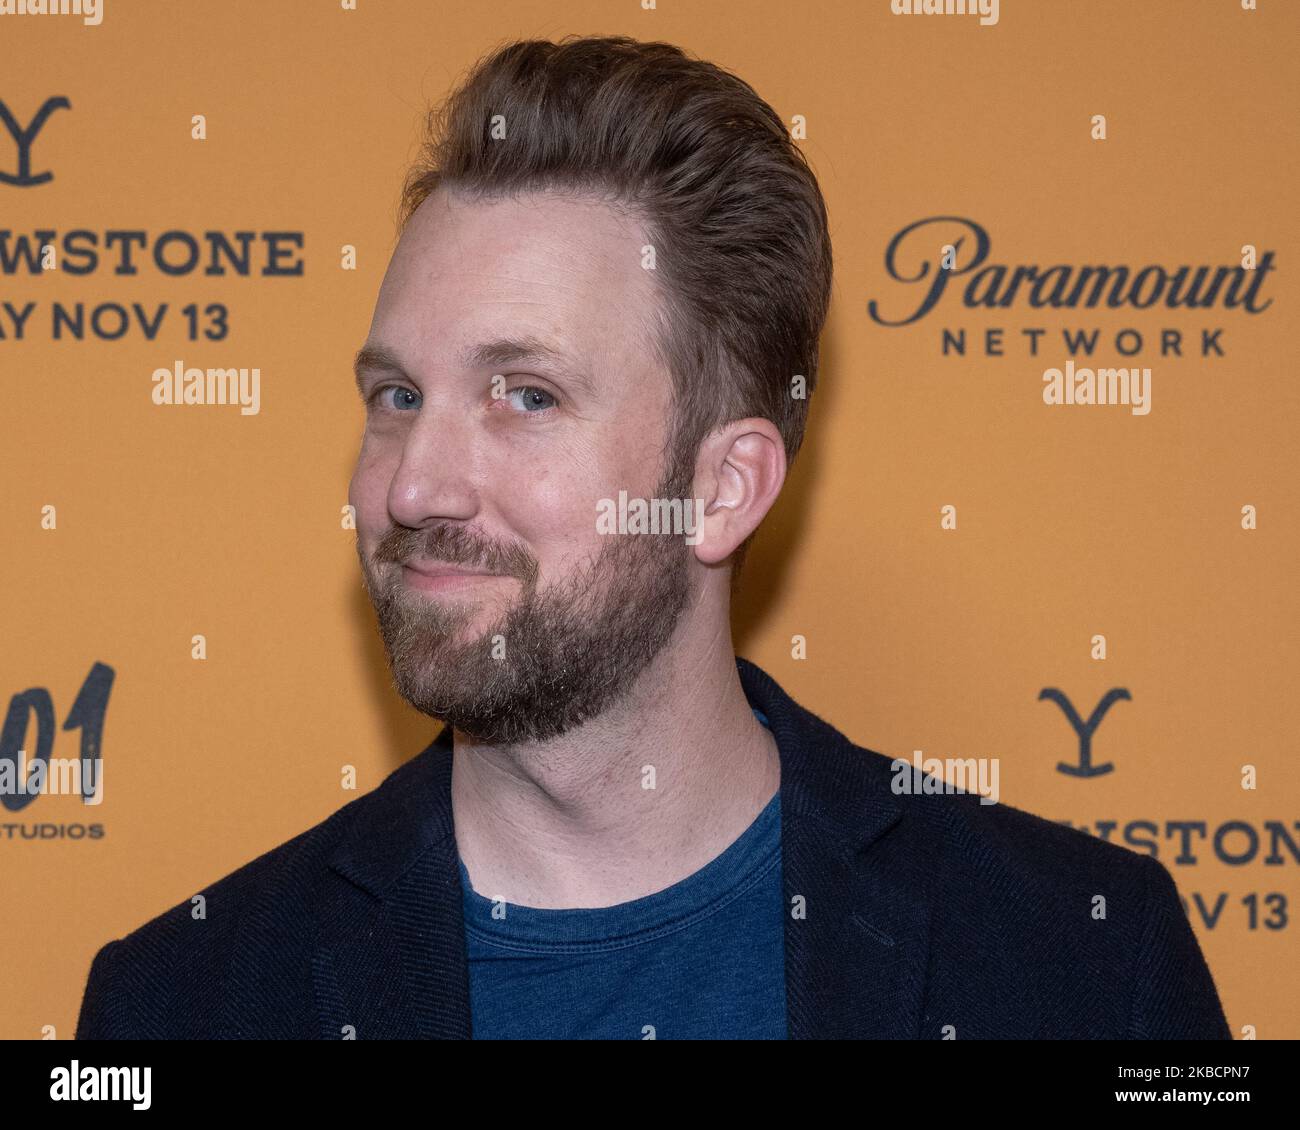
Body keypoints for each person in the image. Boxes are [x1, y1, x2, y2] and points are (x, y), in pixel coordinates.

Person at [76, 34, 1229, 1040]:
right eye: (396, 396)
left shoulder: (1080, 960)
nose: (414, 482)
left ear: (723, 488)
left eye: (524, 395)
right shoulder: (186, 998)